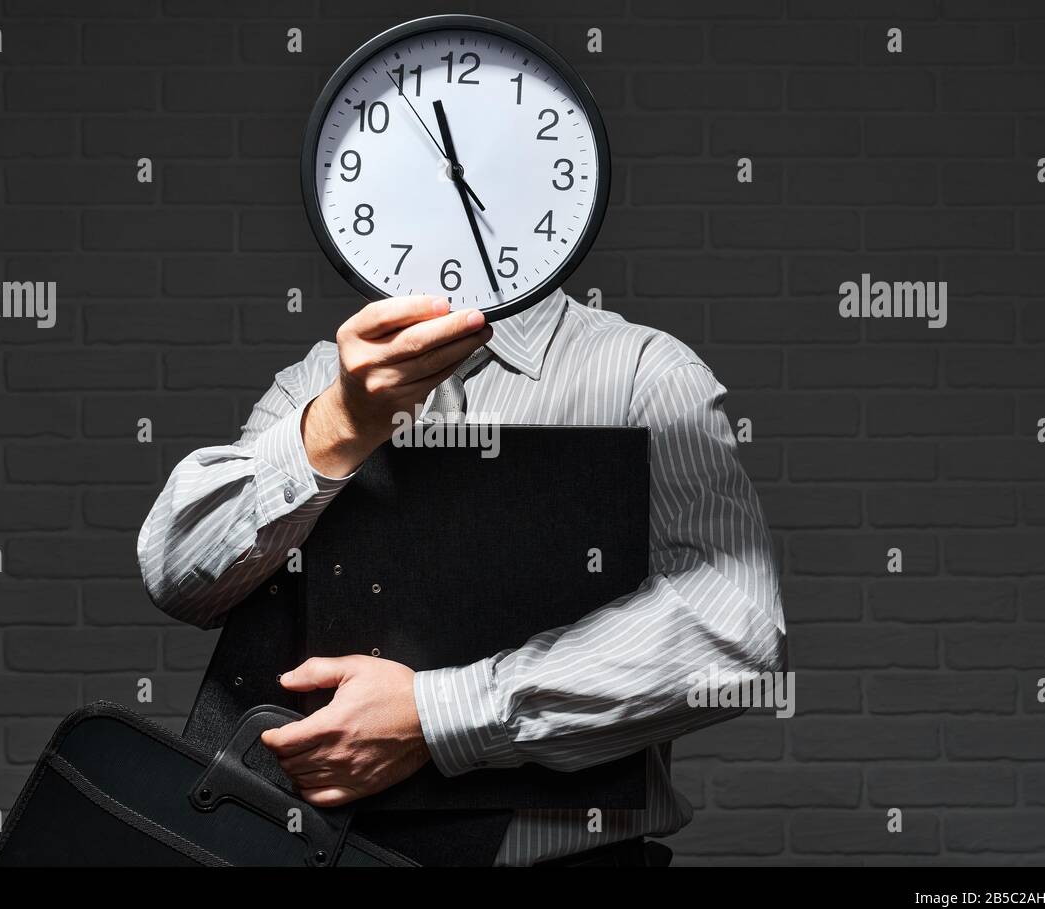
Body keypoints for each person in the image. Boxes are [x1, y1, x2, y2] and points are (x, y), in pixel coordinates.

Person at [138, 290, 786, 866]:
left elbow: (735, 631)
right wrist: (339, 423)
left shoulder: (643, 370)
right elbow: (178, 577)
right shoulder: (318, 378)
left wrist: (437, 717)